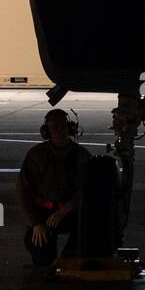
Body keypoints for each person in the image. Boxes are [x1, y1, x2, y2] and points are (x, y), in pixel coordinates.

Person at [17, 108, 91, 267]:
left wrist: (67, 209)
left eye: (63, 127)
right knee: (39, 250)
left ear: (70, 129)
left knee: (90, 232)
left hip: (71, 212)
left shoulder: (82, 155)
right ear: (47, 131)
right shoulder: (36, 155)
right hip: (45, 213)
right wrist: (36, 223)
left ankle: (69, 258)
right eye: (54, 127)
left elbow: (88, 188)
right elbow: (24, 191)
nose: (59, 131)